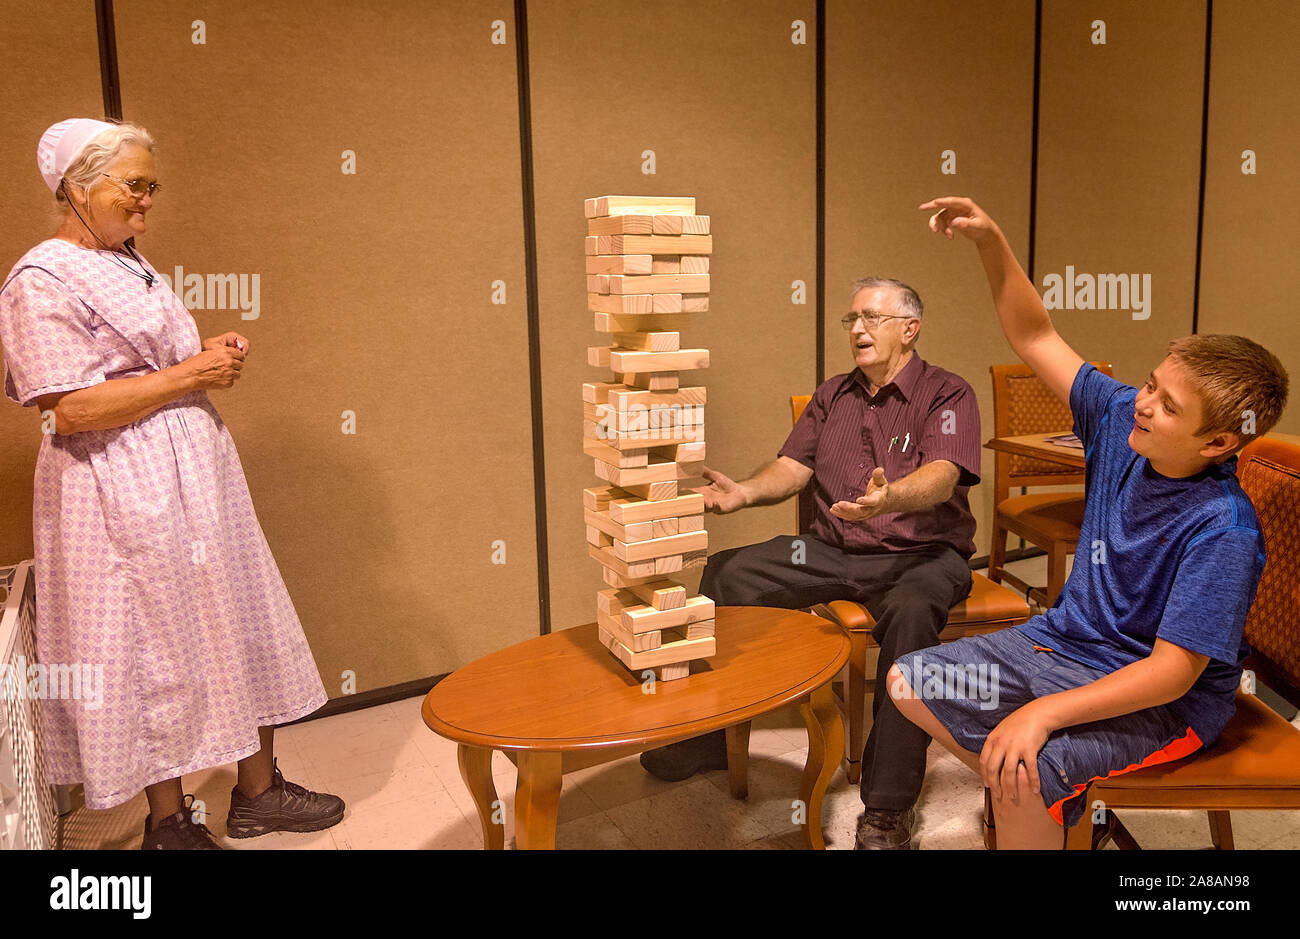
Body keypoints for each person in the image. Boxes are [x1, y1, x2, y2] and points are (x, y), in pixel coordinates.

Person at [889, 195, 1289, 848]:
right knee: (910, 680)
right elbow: (1035, 333)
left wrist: (1043, 715)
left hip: (1163, 701)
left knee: (1026, 765)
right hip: (1064, 641)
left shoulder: (1224, 531)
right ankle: (1041, 811)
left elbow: (1172, 672)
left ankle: (1032, 803)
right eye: (1152, 383)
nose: (1144, 402)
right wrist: (991, 241)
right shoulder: (1118, 413)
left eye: (1168, 404)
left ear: (1218, 443)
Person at [0, 118, 344, 849]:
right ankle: (167, 821)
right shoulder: (40, 279)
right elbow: (69, 408)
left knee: (234, 614)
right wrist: (190, 372)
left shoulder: (128, 259)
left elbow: (143, 364)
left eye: (151, 184)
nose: (147, 199)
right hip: (118, 489)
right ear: (76, 186)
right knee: (151, 640)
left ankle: (257, 791)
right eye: (135, 184)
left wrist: (203, 352)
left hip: (192, 476)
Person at [638, 276, 983, 850]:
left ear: (909, 328)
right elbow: (792, 468)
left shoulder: (948, 394)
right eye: (852, 320)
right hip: (831, 548)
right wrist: (744, 493)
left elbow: (945, 472)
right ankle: (712, 738)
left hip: (920, 554)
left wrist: (891, 497)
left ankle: (887, 806)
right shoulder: (833, 395)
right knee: (727, 574)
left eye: (871, 317)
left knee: (913, 615)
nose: (858, 330)